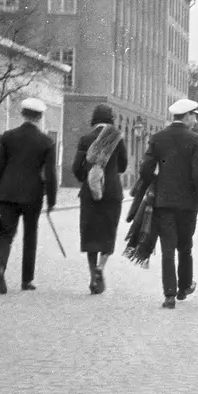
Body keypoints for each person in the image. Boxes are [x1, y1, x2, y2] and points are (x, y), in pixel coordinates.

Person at [133, 98, 198, 309]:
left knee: (167, 247)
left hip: (163, 201)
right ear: (186, 116)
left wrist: (155, 184)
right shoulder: (195, 140)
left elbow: (145, 168)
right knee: (185, 246)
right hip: (188, 204)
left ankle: (169, 295)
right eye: (194, 116)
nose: (195, 120)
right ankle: (184, 287)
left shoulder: (158, 138)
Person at [0, 97, 57, 294]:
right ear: (40, 117)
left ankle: (0, 268)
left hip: (6, 193)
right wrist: (51, 201)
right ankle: (27, 280)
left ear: (23, 114)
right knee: (30, 236)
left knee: (6, 234)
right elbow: (51, 174)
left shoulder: (8, 137)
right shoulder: (46, 142)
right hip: (32, 196)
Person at [72, 103, 128, 295]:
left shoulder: (86, 138)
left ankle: (91, 273)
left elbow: (76, 168)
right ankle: (100, 269)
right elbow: (122, 166)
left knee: (90, 234)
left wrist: (87, 178)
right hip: (112, 193)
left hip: (90, 193)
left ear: (94, 119)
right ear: (111, 119)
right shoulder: (117, 137)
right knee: (108, 232)